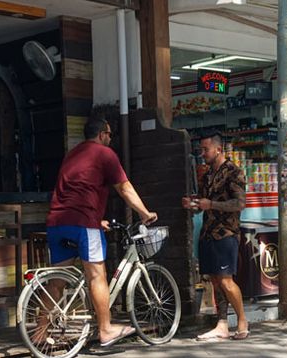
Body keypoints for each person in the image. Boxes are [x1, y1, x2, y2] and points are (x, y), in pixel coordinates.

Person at [43, 115, 158, 347]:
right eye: (109, 135)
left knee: (56, 280)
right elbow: (124, 188)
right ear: (102, 135)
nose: (110, 139)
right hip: (82, 221)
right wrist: (145, 213)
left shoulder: (72, 154)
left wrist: (99, 220)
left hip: (57, 222)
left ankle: (39, 332)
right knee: (97, 275)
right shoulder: (105, 154)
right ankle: (105, 329)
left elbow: (76, 190)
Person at [181, 133, 249, 341]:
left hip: (226, 233)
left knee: (226, 281)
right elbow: (203, 204)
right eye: (201, 150)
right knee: (215, 281)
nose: (202, 154)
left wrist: (211, 204)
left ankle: (242, 320)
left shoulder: (234, 172)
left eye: (205, 149)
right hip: (208, 233)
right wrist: (193, 205)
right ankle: (221, 323)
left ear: (218, 149)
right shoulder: (208, 174)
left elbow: (239, 204)